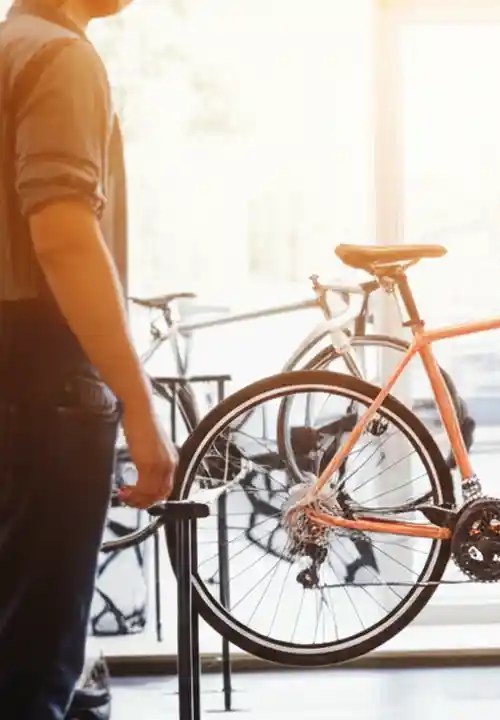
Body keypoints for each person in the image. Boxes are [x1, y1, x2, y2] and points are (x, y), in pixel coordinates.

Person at [0, 1, 177, 718]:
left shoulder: (11, 45)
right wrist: (139, 406)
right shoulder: (61, 57)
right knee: (33, 658)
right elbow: (65, 234)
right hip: (44, 373)